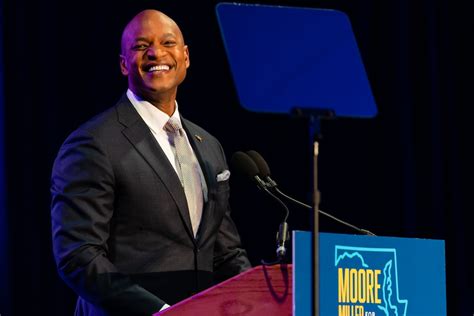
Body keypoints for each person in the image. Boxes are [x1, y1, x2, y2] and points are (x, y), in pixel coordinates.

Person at [50, 9, 251, 316]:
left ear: (185, 57)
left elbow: (225, 253)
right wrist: (160, 312)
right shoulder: (93, 143)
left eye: (167, 43)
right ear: (122, 64)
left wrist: (256, 299)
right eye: (141, 46)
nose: (156, 52)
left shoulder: (209, 146)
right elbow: (78, 256)